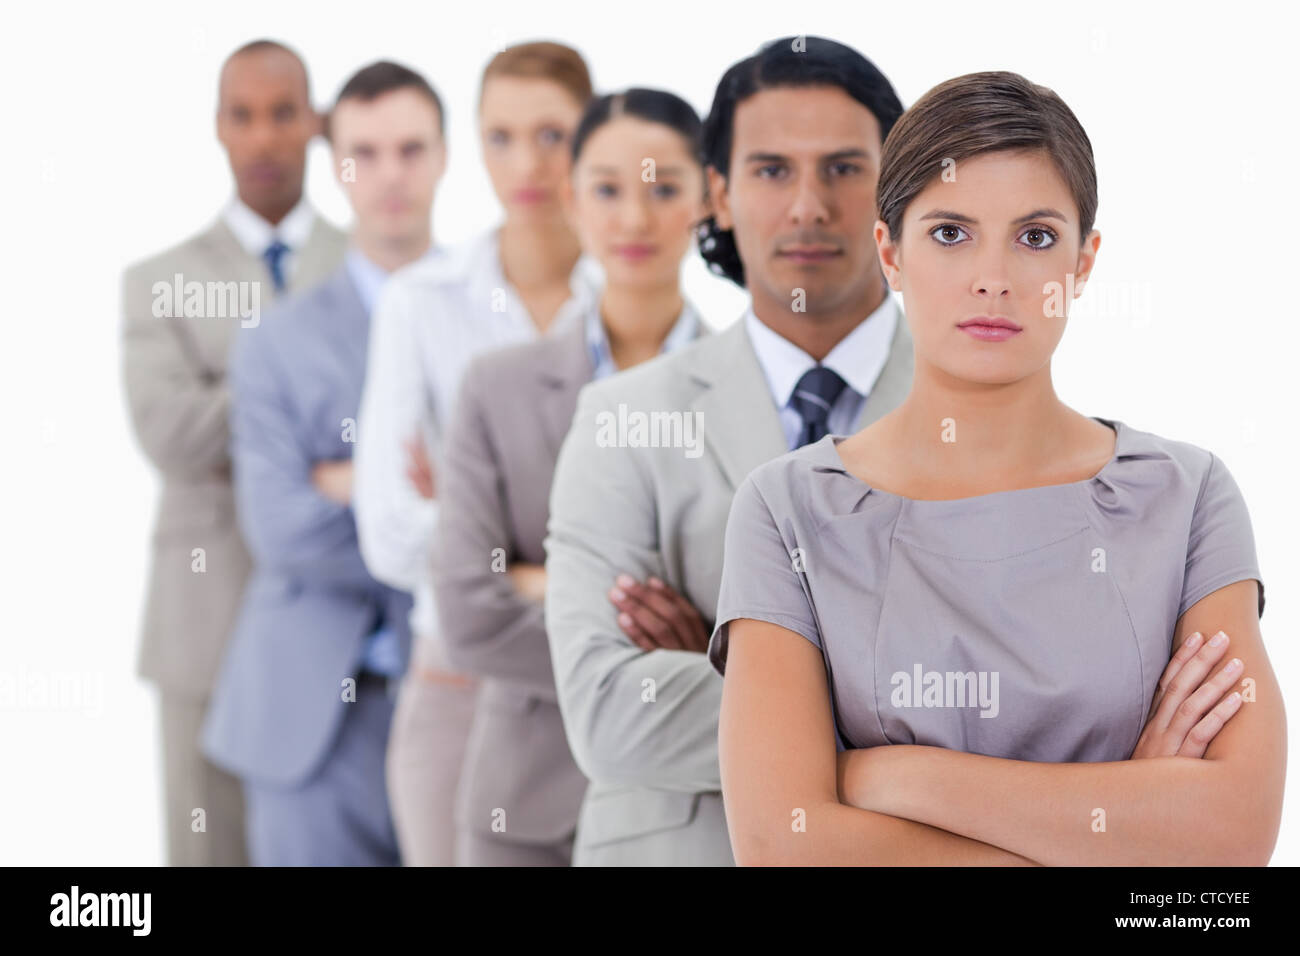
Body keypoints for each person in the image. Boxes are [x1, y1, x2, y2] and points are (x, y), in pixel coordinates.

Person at [708, 70, 1284, 866]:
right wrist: (1124, 825)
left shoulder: (1187, 497)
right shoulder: (788, 511)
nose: (994, 276)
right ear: (891, 253)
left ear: (1084, 263)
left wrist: (895, 778)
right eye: (950, 232)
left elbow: (1230, 837)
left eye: (1037, 236)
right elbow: (784, 844)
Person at [543, 36, 909, 865]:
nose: (808, 205)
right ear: (720, 193)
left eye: (845, 169)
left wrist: (737, 661)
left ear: (898, 190)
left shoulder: (985, 400)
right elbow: (609, 715)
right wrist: (907, 710)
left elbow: (1017, 695)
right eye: (773, 170)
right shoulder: (621, 418)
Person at [432, 88, 711, 866]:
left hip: (695, 807)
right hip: (523, 811)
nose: (634, 219)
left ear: (710, 198)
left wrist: (551, 584)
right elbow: (466, 611)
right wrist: (657, 643)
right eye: (608, 189)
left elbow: (762, 626)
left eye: (663, 189)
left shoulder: (756, 391)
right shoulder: (496, 387)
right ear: (570, 199)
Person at [354, 40, 600, 866]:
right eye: (500, 137)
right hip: (461, 681)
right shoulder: (420, 303)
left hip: (609, 682)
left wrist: (473, 515)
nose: (524, 163)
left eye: (552, 134)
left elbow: (676, 529)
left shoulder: (631, 303)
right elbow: (389, 533)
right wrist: (573, 561)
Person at [201, 61, 446, 865]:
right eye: (364, 153)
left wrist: (346, 481)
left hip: (460, 696)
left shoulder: (492, 320)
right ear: (334, 164)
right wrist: (421, 503)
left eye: (411, 149)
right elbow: (281, 531)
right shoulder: (277, 341)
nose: (389, 176)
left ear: (445, 156)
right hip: (308, 716)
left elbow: (530, 525)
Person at [121, 38, 346, 866]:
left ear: (316, 124)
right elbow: (168, 433)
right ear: (218, 127)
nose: (263, 138)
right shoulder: (159, 279)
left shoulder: (363, 266)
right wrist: (290, 396)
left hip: (345, 617)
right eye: (243, 116)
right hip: (205, 622)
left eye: (283, 114)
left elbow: (390, 417)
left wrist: (239, 399)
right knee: (207, 850)